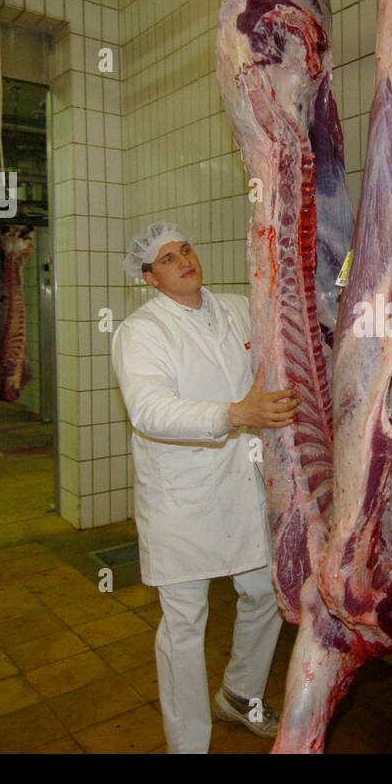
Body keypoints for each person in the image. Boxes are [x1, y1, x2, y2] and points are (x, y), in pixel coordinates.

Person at [111, 221, 297, 753]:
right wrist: (235, 413)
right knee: (185, 622)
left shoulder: (238, 308)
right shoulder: (140, 332)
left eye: (186, 249)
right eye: (168, 259)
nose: (184, 260)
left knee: (264, 591)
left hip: (243, 483)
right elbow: (149, 410)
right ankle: (188, 745)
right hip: (182, 497)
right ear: (149, 278)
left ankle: (240, 695)